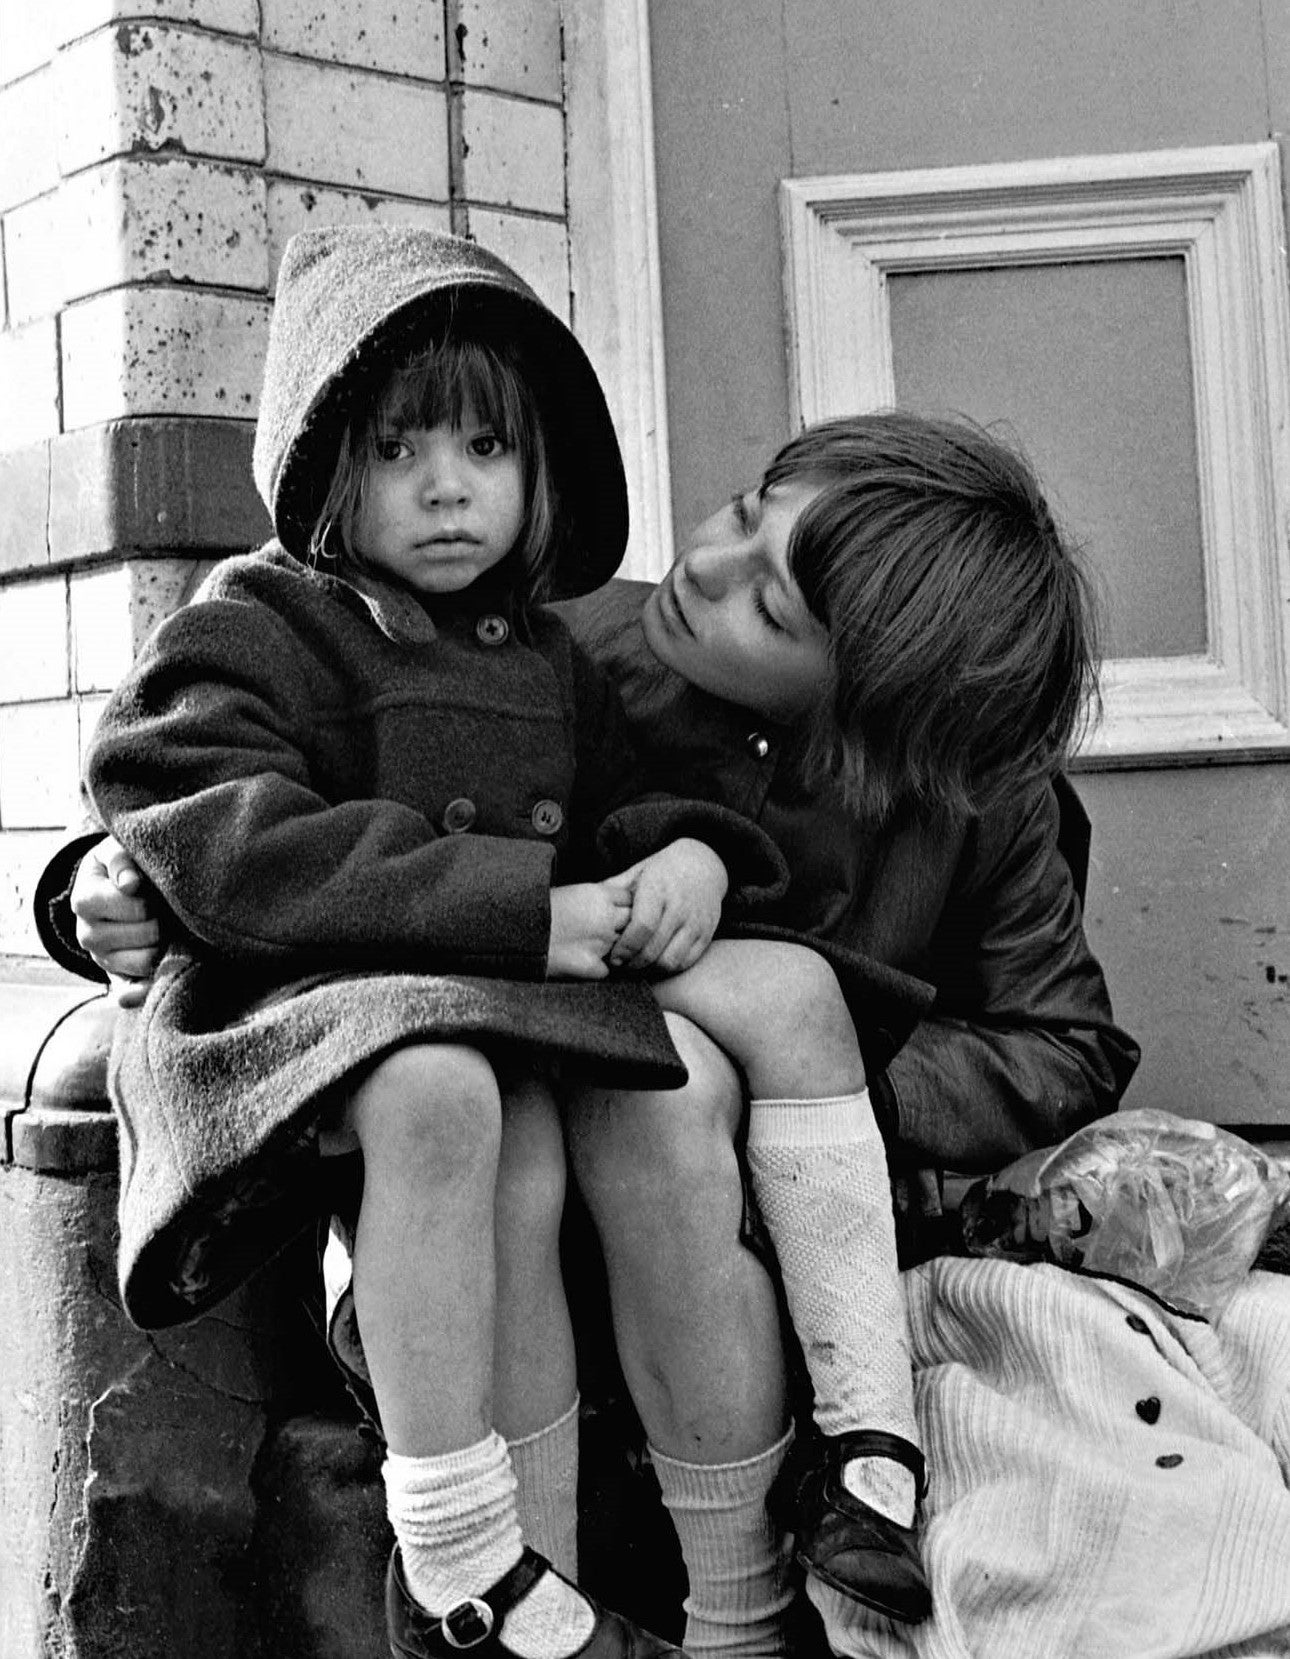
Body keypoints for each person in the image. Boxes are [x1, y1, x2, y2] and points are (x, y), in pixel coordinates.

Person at [43, 412, 1141, 1656]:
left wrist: (804, 1088)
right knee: (615, 1091)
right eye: (739, 516)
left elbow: (1064, 1046)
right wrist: (108, 888)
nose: (707, 569)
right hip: (491, 1183)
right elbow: (292, 791)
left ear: (869, 719)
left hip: (751, 1234)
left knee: (675, 1090)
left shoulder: (982, 792)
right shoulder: (568, 641)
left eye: (771, 612)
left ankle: (747, 1613)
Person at [69, 222, 808, 1659]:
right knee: (445, 1090)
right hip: (290, 1012)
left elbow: (625, 797)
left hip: (463, 1022)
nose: (450, 488)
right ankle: (464, 1540)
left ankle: (559, 1601)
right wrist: (521, 913)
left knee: (519, 1128)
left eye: (486, 448)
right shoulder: (272, 615)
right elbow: (192, 803)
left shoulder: (536, 650)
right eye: (402, 452)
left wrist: (689, 852)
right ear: (327, 465)